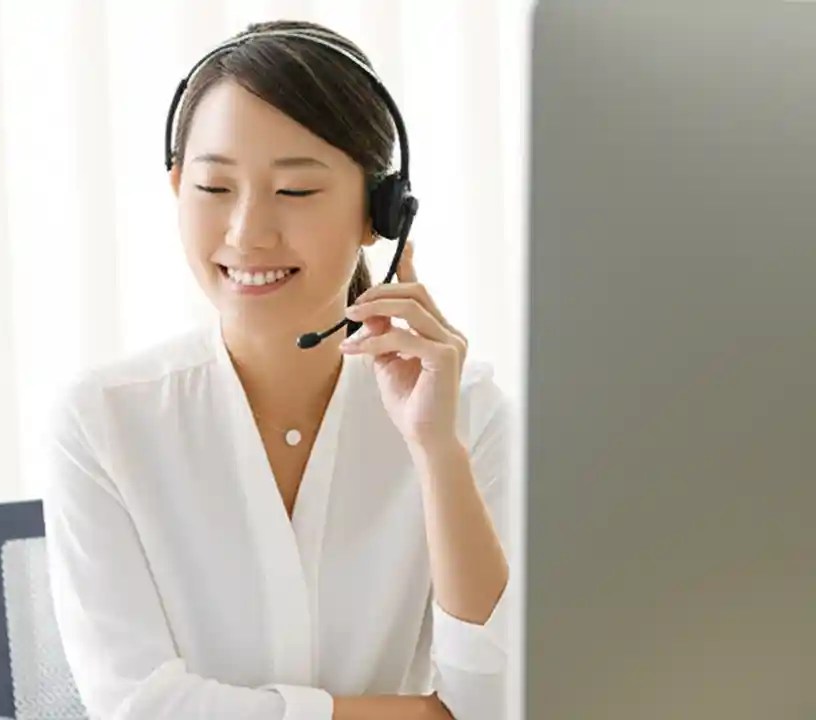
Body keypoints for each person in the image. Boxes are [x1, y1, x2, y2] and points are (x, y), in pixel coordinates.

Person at [43, 19, 512, 720]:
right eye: (213, 187)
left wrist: (436, 452)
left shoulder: (466, 413)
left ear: (378, 213)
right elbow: (139, 707)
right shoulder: (105, 417)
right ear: (177, 188)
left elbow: (499, 702)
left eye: (295, 192)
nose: (247, 232)